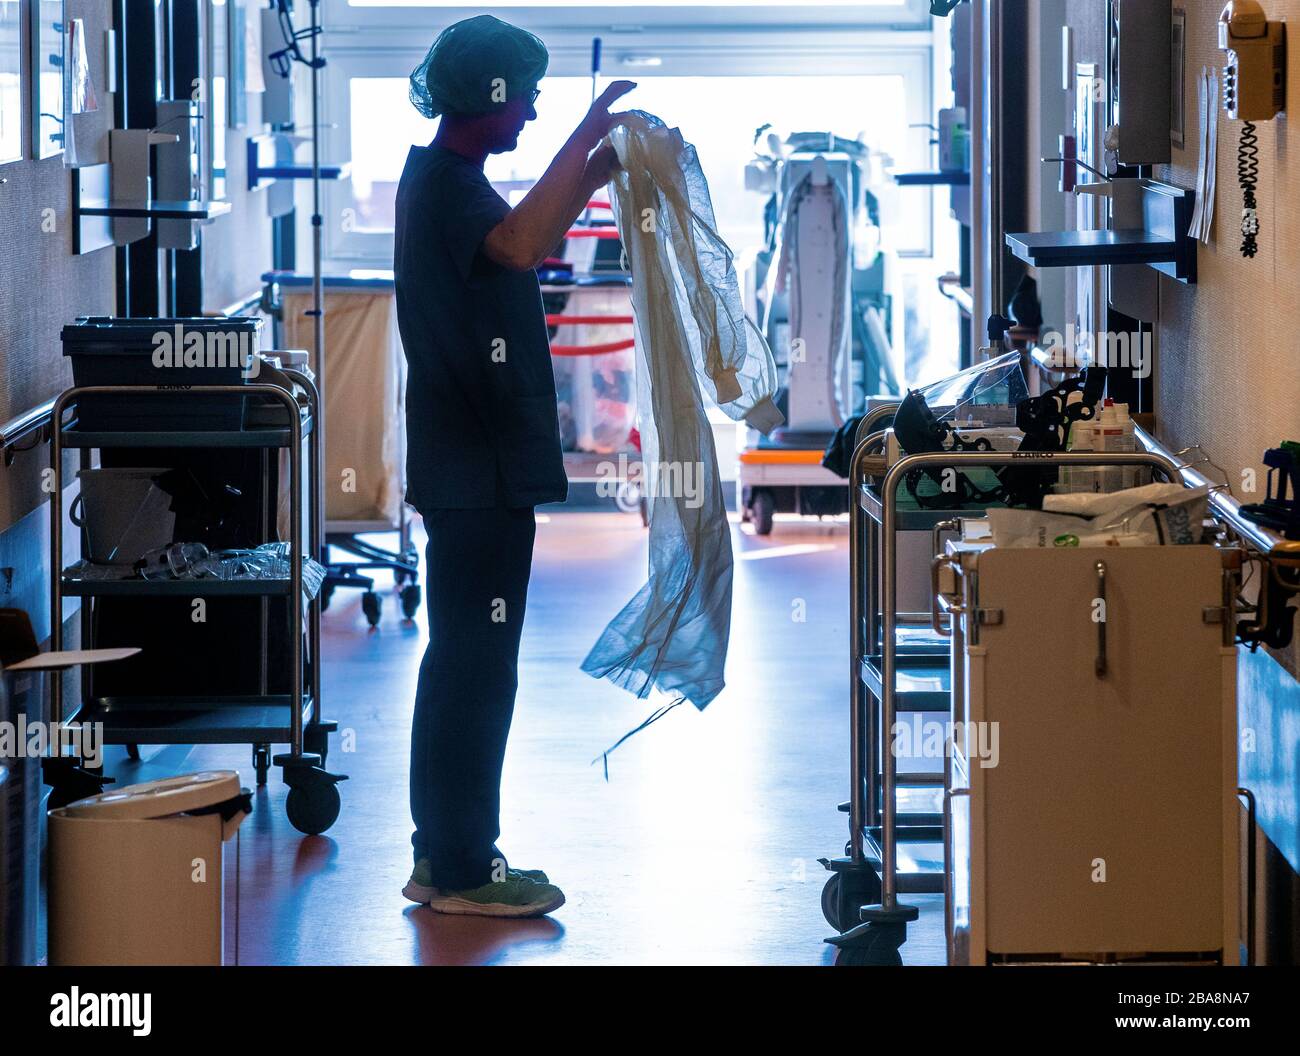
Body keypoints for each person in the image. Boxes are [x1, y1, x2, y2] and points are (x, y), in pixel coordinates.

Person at [394, 13, 634, 918]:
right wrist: (587, 138)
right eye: (524, 94)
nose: (531, 107)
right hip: (473, 470)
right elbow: (522, 244)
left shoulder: (450, 179)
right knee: (474, 665)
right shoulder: (450, 186)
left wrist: (598, 164)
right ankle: (459, 867)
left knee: (467, 659)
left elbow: (525, 226)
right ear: (485, 96)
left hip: (475, 468)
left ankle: (449, 857)